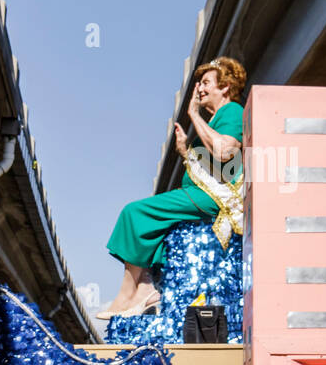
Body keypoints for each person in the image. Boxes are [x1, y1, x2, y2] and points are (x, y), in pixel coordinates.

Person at [98, 56, 247, 319]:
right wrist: (184, 152)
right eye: (199, 83)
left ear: (225, 87)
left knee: (135, 213)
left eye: (206, 83)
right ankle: (145, 288)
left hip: (213, 199)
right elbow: (209, 168)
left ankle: (129, 292)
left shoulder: (232, 111)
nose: (199, 88)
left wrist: (192, 115)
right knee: (159, 231)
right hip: (203, 193)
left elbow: (224, 152)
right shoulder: (214, 120)